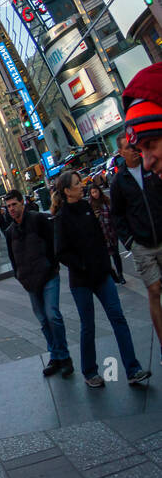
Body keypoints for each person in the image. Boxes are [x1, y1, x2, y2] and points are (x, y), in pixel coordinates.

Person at [52, 170, 151, 388]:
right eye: (77, 183)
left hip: (102, 275)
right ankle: (90, 371)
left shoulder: (88, 208)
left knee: (118, 317)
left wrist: (108, 268)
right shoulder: (62, 218)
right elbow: (61, 252)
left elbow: (99, 240)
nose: (82, 186)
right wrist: (83, 265)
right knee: (88, 325)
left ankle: (133, 369)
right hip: (81, 281)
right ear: (67, 190)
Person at [4, 188, 73, 377]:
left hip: (49, 276)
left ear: (22, 203)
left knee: (53, 316)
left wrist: (52, 265)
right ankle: (55, 356)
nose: (11, 209)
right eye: (8, 206)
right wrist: (19, 275)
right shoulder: (9, 232)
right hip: (30, 281)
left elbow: (53, 243)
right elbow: (12, 257)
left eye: (14, 204)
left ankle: (64, 357)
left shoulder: (38, 219)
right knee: (43, 320)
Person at [110, 121, 162, 358]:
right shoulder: (119, 183)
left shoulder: (151, 169)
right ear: (121, 152)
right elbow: (117, 216)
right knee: (153, 290)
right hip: (141, 245)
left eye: (134, 146)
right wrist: (130, 242)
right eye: (128, 147)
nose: (134, 149)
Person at [87, 182, 124, 285]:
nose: (95, 194)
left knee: (116, 255)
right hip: (101, 234)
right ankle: (113, 276)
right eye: (93, 192)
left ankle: (120, 275)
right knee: (106, 258)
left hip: (111, 231)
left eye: (96, 191)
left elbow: (114, 213)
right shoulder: (90, 205)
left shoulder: (106, 200)